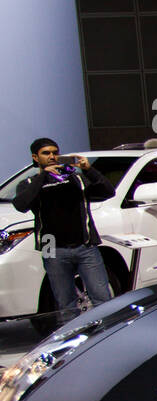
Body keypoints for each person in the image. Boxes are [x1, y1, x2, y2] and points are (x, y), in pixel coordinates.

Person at [12, 138, 115, 323]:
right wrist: (44, 175)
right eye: (46, 153)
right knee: (65, 304)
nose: (52, 156)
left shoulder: (76, 178)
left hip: (85, 245)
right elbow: (21, 204)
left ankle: (106, 337)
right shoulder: (29, 182)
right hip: (51, 247)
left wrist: (88, 169)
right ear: (35, 157)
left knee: (102, 299)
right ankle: (73, 344)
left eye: (55, 152)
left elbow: (108, 192)